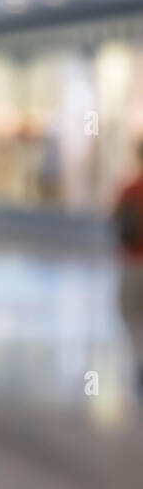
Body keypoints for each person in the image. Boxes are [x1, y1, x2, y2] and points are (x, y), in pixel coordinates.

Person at [114, 140, 143, 395]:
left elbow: (117, 220)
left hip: (134, 261)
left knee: (130, 311)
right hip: (133, 258)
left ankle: (139, 355)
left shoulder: (131, 188)